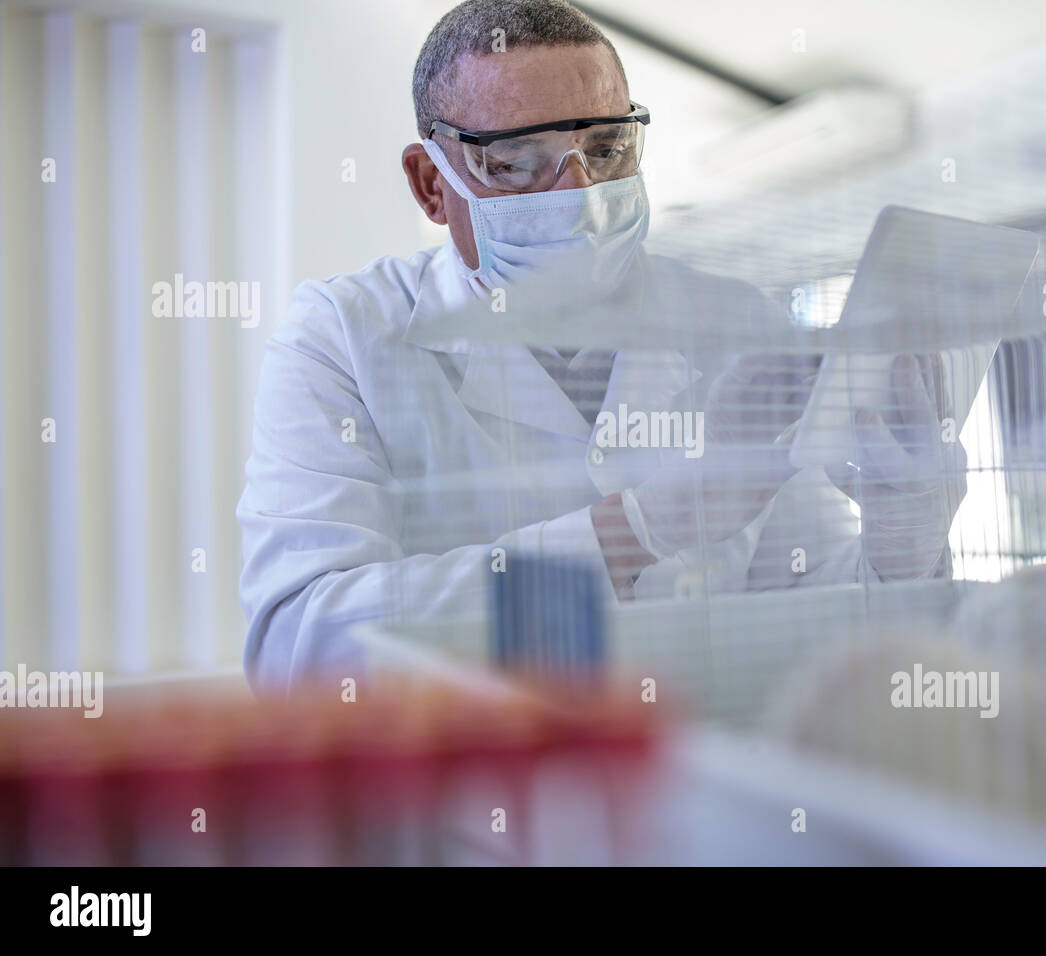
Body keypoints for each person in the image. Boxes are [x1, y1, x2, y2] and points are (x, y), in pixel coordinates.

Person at [237, 0, 965, 696]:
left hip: (704, 785)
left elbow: (814, 620)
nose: (582, 192)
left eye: (606, 147)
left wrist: (902, 551)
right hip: (462, 809)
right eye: (518, 160)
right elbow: (299, 646)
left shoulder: (737, 321)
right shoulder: (343, 333)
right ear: (432, 182)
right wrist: (635, 528)